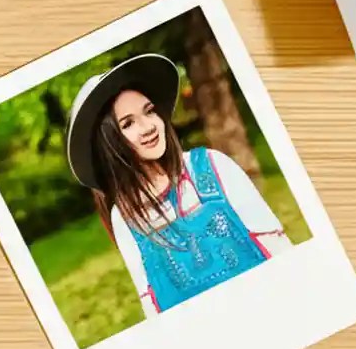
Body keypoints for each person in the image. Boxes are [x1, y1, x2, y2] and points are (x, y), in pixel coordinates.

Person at [66, 53, 291, 317]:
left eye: (149, 111)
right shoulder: (125, 217)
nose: (148, 126)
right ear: (109, 145)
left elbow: (279, 247)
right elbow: (152, 304)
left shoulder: (210, 166)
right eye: (128, 123)